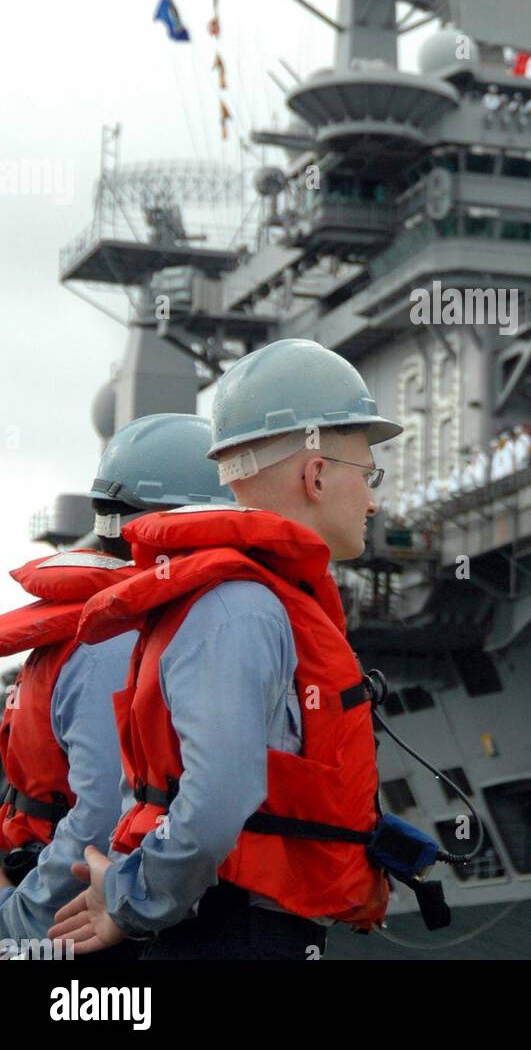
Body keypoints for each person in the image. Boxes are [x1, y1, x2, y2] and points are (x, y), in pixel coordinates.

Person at [51, 339, 404, 961]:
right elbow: (217, 804)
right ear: (316, 474)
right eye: (367, 474)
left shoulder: (234, 601)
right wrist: (134, 901)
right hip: (232, 935)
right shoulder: (243, 607)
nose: (374, 500)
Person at [0, 414, 231, 958]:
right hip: (69, 918)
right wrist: (20, 921)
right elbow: (100, 817)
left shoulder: (97, 627)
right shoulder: (112, 639)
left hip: (61, 903)